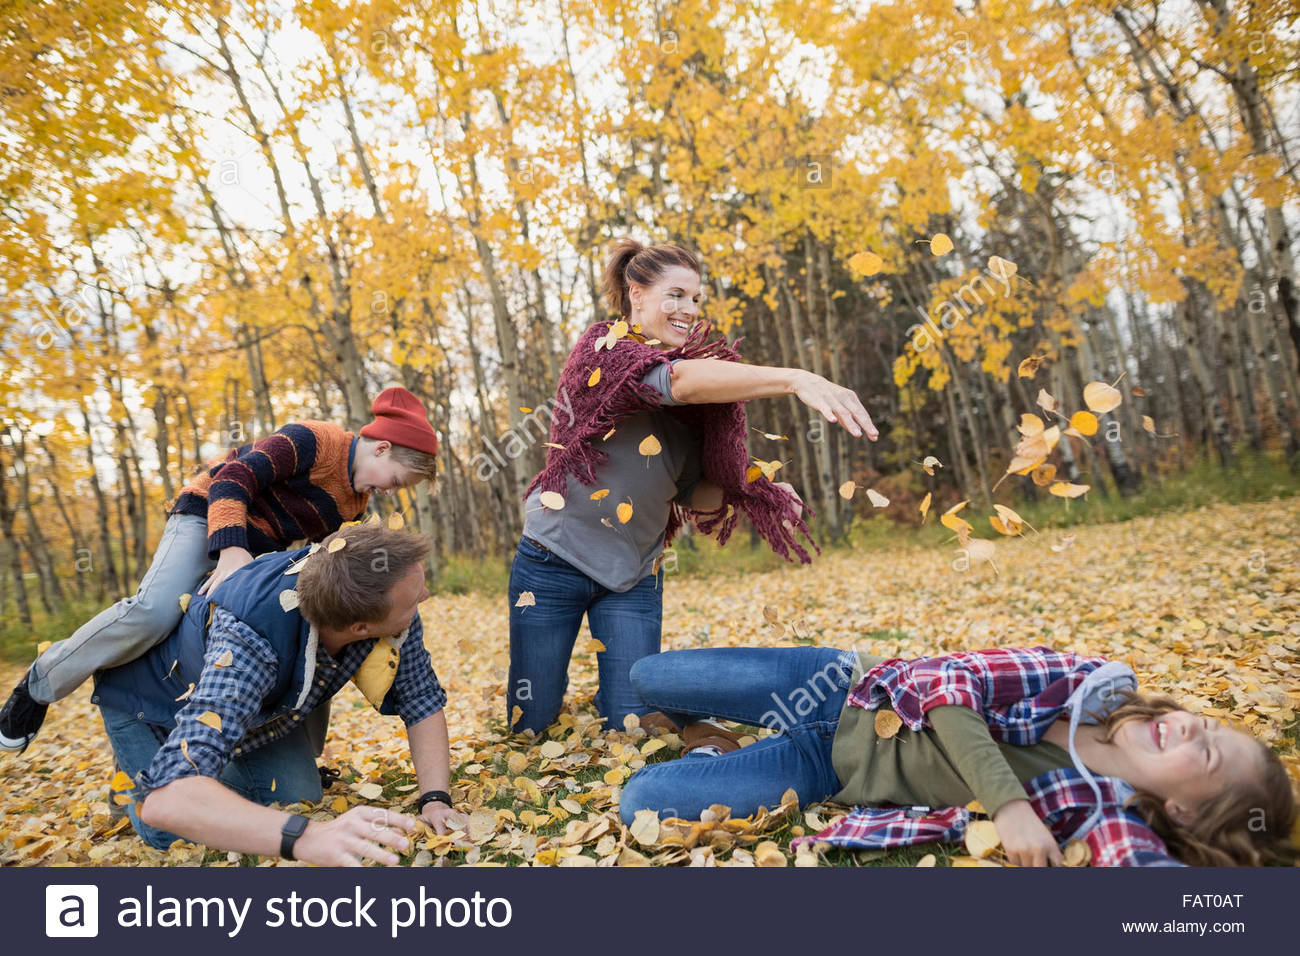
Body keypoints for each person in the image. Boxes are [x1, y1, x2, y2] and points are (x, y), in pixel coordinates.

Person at [507, 238, 878, 735]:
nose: (689, 309)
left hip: (633, 574)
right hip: (553, 560)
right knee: (530, 725)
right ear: (636, 294)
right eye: (676, 295)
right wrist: (796, 379)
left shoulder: (698, 407)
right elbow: (677, 380)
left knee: (632, 727)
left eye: (696, 298)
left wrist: (756, 491)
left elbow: (691, 492)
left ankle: (619, 704)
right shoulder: (606, 351)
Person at [0, 386, 438, 754]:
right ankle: (41, 682)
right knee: (155, 611)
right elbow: (233, 477)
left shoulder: (356, 502)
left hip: (259, 550)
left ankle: (298, 759)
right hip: (206, 515)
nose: (389, 491)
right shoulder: (315, 440)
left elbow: (327, 560)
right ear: (381, 448)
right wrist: (230, 549)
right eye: (396, 481)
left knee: (309, 631)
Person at [619, 644, 1298, 867]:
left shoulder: (1100, 810)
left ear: (1183, 811)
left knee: (641, 801)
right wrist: (1009, 806)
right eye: (1208, 725)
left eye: (1208, 754)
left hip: (828, 766)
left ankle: (718, 746)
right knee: (647, 677)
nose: (1190, 727)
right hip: (839, 684)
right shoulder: (1088, 686)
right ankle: (703, 728)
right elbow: (949, 683)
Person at [90, 523, 463, 865]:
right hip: (145, 698)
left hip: (251, 709)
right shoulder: (247, 642)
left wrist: (435, 799)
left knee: (296, 797)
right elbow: (168, 801)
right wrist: (307, 838)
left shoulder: (380, 597)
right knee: (169, 829)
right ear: (360, 627)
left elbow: (420, 699)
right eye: (414, 599)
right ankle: (143, 770)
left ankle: (195, 767)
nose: (425, 596)